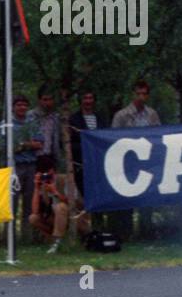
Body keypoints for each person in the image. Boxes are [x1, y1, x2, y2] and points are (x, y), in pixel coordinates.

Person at [111, 80, 161, 238]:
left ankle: (147, 230)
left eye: (144, 94)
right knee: (127, 197)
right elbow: (112, 138)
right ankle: (126, 232)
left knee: (148, 195)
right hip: (128, 161)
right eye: (138, 93)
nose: (141, 97)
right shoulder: (121, 115)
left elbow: (159, 134)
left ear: (148, 95)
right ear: (133, 94)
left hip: (147, 160)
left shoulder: (152, 114)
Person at [28, 154, 88, 253]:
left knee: (60, 207)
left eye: (47, 173)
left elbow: (76, 204)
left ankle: (57, 241)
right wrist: (37, 187)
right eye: (42, 174)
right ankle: (53, 242)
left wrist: (55, 192)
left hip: (76, 218)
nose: (45, 176)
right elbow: (35, 211)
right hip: (56, 219)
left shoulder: (65, 180)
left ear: (52, 170)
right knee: (33, 218)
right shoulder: (43, 184)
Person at [6, 95, 43, 242]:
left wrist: (22, 145)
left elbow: (40, 144)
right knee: (11, 202)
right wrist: (28, 144)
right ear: (13, 107)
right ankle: (9, 237)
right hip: (14, 166)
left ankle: (26, 236)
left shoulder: (32, 122)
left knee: (30, 202)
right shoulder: (8, 123)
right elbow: (9, 146)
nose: (22, 108)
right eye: (19, 105)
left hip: (31, 166)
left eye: (24, 105)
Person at [68, 91, 100, 203]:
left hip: (98, 163)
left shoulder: (100, 117)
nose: (88, 101)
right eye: (85, 98)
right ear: (80, 101)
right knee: (84, 196)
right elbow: (70, 143)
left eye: (90, 98)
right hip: (81, 164)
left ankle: (98, 220)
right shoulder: (73, 119)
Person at [29, 87, 62, 168]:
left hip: (49, 158)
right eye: (45, 99)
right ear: (39, 100)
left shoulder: (55, 117)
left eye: (50, 99)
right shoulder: (30, 116)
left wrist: (57, 159)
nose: (48, 103)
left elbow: (56, 140)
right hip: (33, 159)